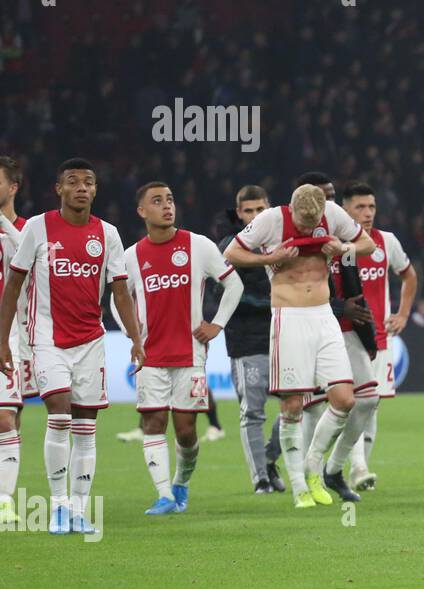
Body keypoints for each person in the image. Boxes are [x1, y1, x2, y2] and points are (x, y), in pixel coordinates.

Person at [0, 158, 145, 535]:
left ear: (96, 190)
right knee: (60, 413)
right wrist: (2, 340)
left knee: (85, 425)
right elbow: (13, 285)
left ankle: (79, 507)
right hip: (46, 337)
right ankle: (59, 506)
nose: (82, 187)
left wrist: (135, 337)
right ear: (58, 189)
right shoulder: (38, 227)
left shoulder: (108, 234)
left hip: (91, 340)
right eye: (73, 182)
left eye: (89, 182)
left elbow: (120, 290)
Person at [223, 182, 375, 509]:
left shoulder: (331, 214)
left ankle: (313, 467)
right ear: (292, 211)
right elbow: (231, 253)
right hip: (288, 317)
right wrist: (271, 256)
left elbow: (368, 243)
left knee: (345, 399)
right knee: (292, 405)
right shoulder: (271, 220)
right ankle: (298, 488)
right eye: (304, 224)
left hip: (323, 315)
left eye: (313, 223)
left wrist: (342, 249)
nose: (308, 228)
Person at [115, 183, 242, 515]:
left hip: (190, 354)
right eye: (157, 201)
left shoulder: (198, 246)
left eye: (170, 199)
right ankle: (164, 496)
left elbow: (234, 284)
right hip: (150, 356)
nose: (167, 206)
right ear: (142, 211)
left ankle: (180, 484)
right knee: (154, 422)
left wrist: (217, 325)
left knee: (186, 431)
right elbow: (117, 299)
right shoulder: (131, 256)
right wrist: (133, 335)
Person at [337, 181, 417, 490]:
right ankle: (355, 466)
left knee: (371, 406)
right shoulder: (337, 245)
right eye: (360, 207)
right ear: (345, 210)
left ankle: (360, 470)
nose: (368, 213)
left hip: (380, 339)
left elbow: (409, 275)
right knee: (355, 403)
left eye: (371, 206)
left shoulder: (387, 242)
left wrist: (403, 313)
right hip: (345, 337)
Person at [219, 185, 282, 493]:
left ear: (270, 207)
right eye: (248, 211)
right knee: (253, 412)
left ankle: (270, 458)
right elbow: (228, 295)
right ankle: (261, 480)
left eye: (260, 210)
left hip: (285, 338)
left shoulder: (284, 241)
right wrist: (273, 303)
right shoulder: (230, 247)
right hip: (247, 342)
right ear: (239, 213)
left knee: (305, 402)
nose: (255, 216)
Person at [0, 156, 33, 526]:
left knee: (8, 417)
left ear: (13, 187)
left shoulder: (28, 230)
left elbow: (31, 256)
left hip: (14, 336)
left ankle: (4, 499)